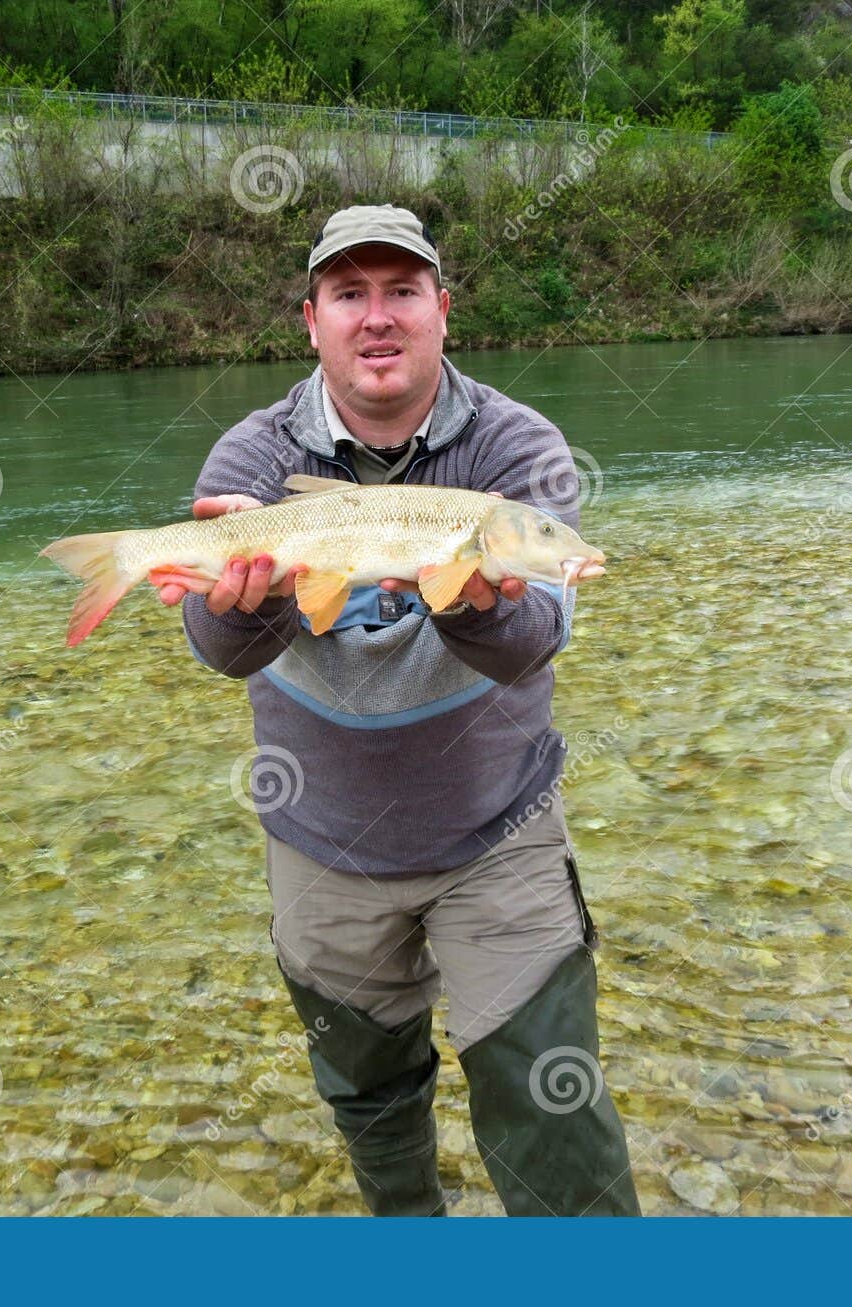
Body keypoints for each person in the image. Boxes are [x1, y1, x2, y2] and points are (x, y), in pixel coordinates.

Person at [158, 205, 639, 1217]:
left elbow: (533, 638)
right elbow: (220, 649)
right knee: (370, 1102)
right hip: (323, 839)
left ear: (442, 310)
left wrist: (473, 604)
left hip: (495, 827)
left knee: (550, 1101)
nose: (376, 318)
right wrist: (252, 596)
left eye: (401, 291)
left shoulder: (519, 449)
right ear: (312, 320)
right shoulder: (248, 459)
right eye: (349, 294)